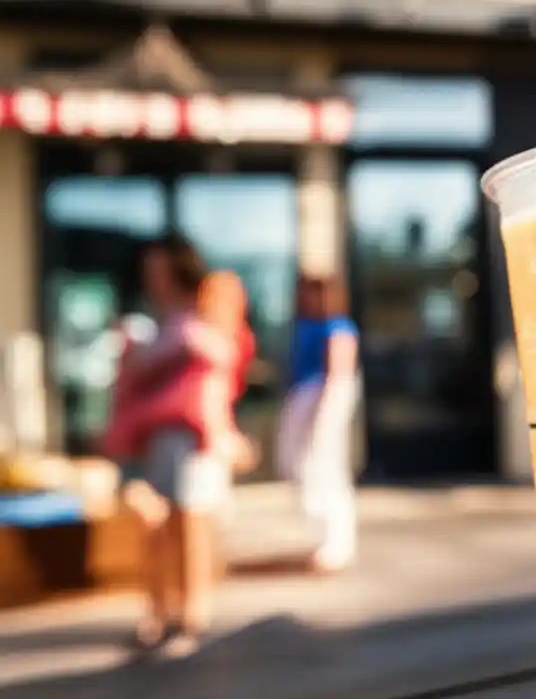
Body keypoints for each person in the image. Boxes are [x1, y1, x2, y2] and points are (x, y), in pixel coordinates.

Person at [103, 236, 255, 656]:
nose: (152, 279)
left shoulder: (204, 310)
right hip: (161, 434)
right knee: (160, 524)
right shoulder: (163, 319)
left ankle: (191, 613)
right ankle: (163, 609)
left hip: (194, 434)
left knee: (189, 521)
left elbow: (222, 361)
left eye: (158, 269)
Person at [276, 275, 360, 572]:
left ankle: (335, 542)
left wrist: (322, 415)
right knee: (299, 466)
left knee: (324, 467)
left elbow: (338, 374)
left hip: (320, 402)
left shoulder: (337, 328)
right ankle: (322, 539)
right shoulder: (304, 327)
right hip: (302, 399)